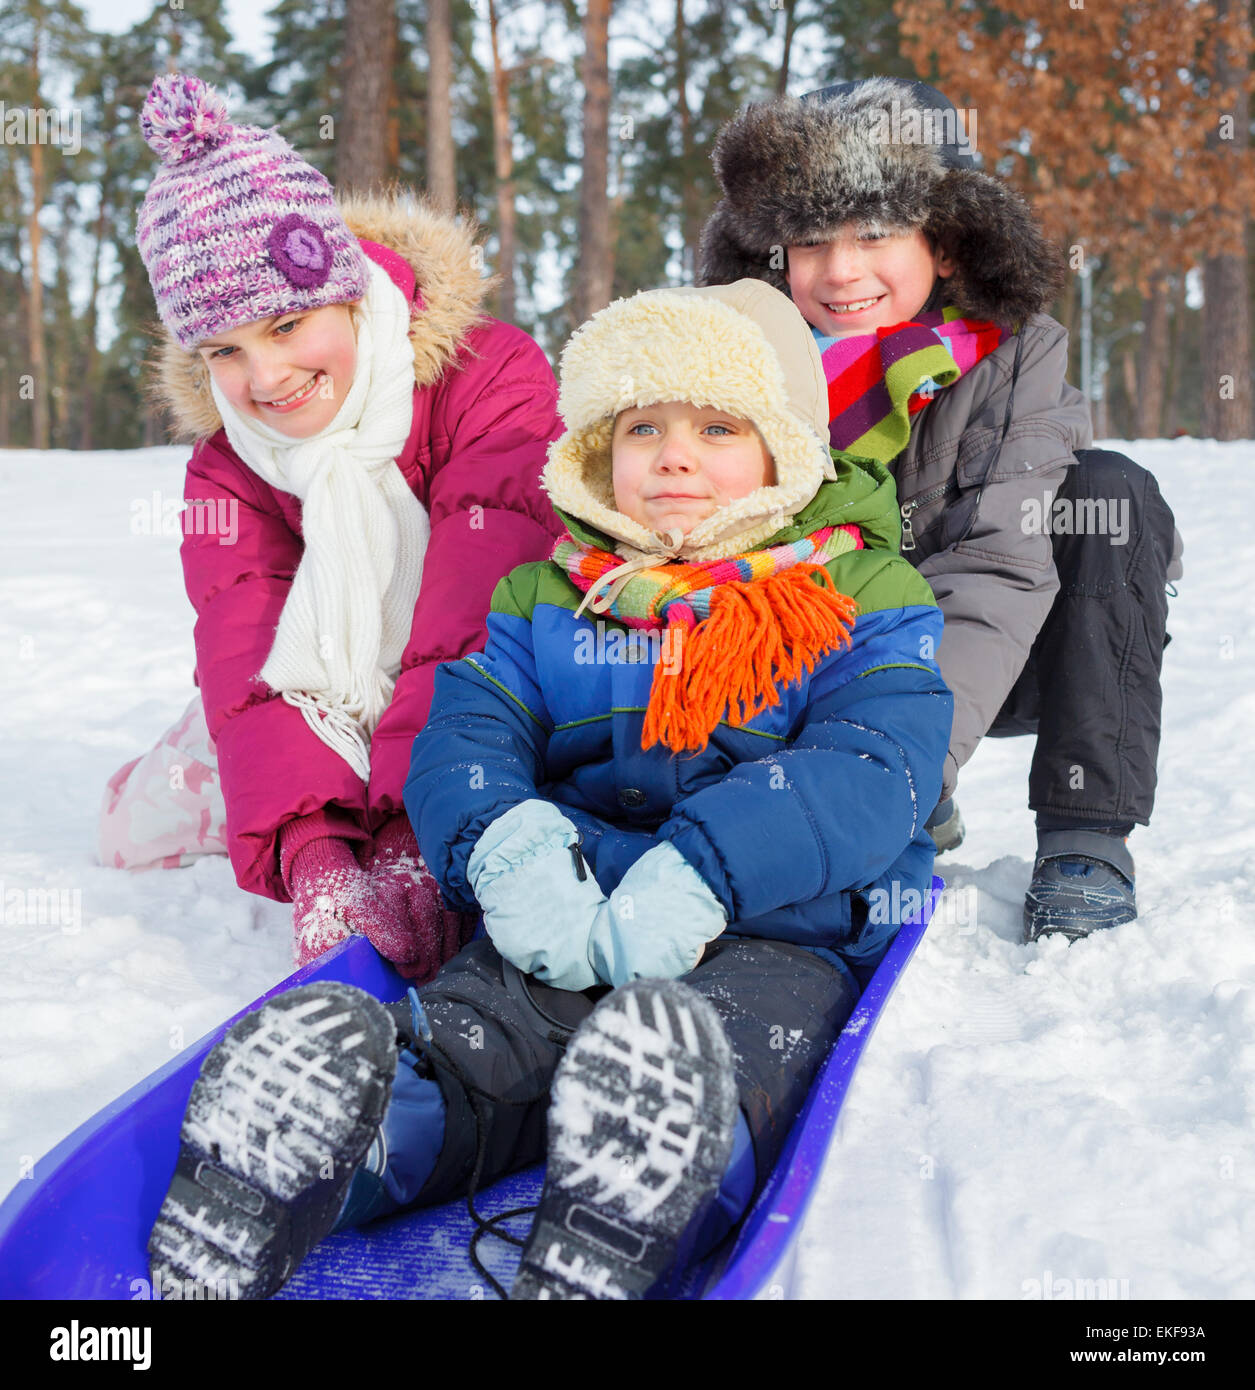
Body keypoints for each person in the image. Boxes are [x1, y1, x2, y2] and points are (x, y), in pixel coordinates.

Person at [146, 279, 953, 1300]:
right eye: (642, 424)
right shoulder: (550, 592)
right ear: (597, 450)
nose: (672, 454)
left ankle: (641, 1191)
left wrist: (706, 867)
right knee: (485, 1031)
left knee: (726, 1052)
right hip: (567, 915)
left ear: (785, 447)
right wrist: (509, 844)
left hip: (776, 926)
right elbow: (466, 732)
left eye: (716, 424)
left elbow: (874, 762)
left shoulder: (863, 592)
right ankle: (334, 1142)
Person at [696, 76, 1184, 943]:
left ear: (948, 244)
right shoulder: (737, 363)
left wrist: (902, 770)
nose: (841, 271)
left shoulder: (1010, 356)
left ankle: (1083, 836)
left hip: (997, 651)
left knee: (1110, 497)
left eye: (876, 233)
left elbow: (998, 563)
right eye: (810, 240)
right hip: (810, 669)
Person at [99, 73, 567, 977]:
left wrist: (407, 833)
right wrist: (317, 856)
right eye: (224, 351)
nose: (266, 377)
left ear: (347, 291)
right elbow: (246, 644)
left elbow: (476, 611)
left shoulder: (488, 373)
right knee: (137, 826)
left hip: (485, 687)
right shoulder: (227, 464)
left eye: (286, 323)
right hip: (332, 685)